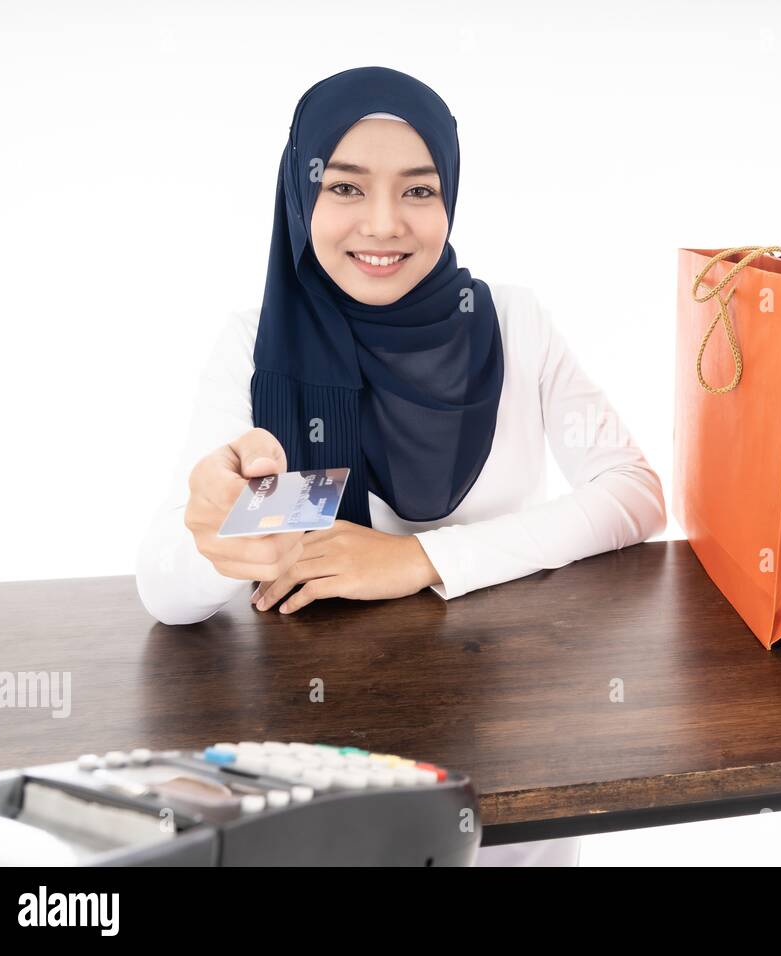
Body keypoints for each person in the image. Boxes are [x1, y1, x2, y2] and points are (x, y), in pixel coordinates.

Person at [134, 66, 666, 867]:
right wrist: (217, 531)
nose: (384, 225)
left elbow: (633, 493)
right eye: (346, 189)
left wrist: (419, 559)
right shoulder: (258, 349)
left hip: (505, 774)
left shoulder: (510, 323)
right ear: (299, 193)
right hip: (313, 781)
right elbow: (166, 594)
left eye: (418, 192)